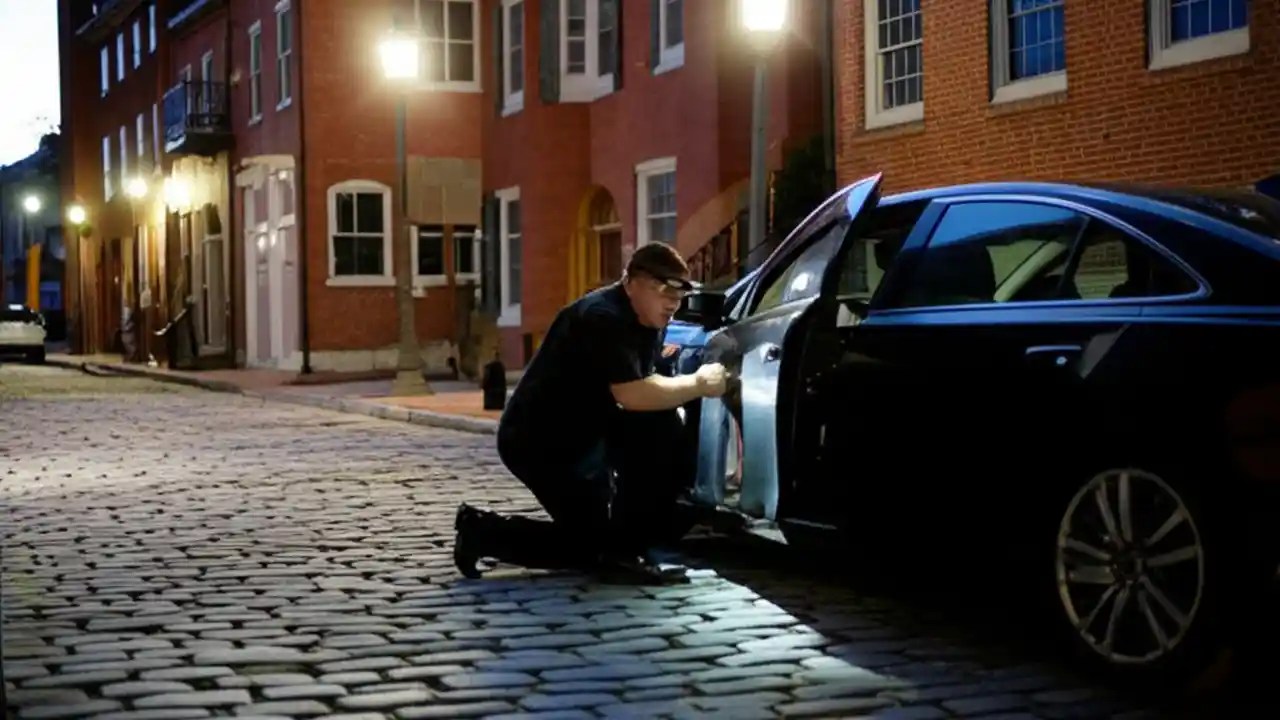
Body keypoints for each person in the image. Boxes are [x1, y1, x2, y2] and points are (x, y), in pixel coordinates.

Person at [453, 243, 729, 582]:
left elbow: (645, 383)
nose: (672, 301)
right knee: (589, 546)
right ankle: (483, 533)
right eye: (662, 289)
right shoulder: (603, 317)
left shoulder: (648, 319)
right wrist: (699, 383)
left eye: (680, 294)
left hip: (587, 433)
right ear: (630, 283)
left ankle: (622, 549)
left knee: (662, 428)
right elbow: (632, 394)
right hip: (542, 442)